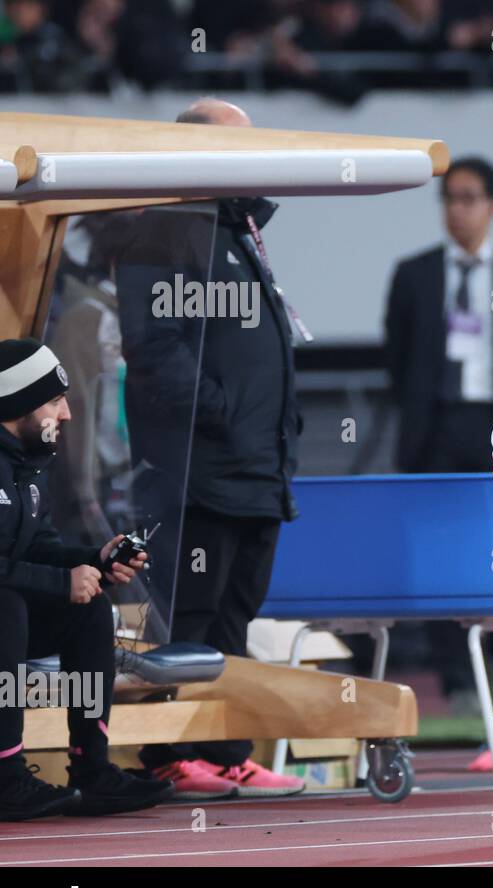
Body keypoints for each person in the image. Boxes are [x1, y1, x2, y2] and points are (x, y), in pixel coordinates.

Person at [116, 98, 306, 799]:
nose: (256, 159)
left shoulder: (240, 227)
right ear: (194, 155)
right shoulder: (168, 230)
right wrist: (222, 417)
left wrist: (278, 425)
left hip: (258, 465)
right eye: (239, 147)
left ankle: (224, 751)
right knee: (186, 613)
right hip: (198, 470)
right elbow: (152, 347)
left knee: (235, 616)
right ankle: (166, 751)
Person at [383, 156, 493, 690]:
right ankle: (453, 673)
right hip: (437, 427)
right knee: (441, 551)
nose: (457, 209)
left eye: (469, 198)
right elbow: (397, 359)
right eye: (449, 198)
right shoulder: (414, 274)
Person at [1, 339, 173, 821]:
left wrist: (94, 561)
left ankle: (92, 770)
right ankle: (6, 777)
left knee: (89, 606)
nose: (68, 414)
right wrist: (61, 581)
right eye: (55, 400)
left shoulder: (27, 464)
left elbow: (37, 547)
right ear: (18, 404)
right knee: (6, 607)